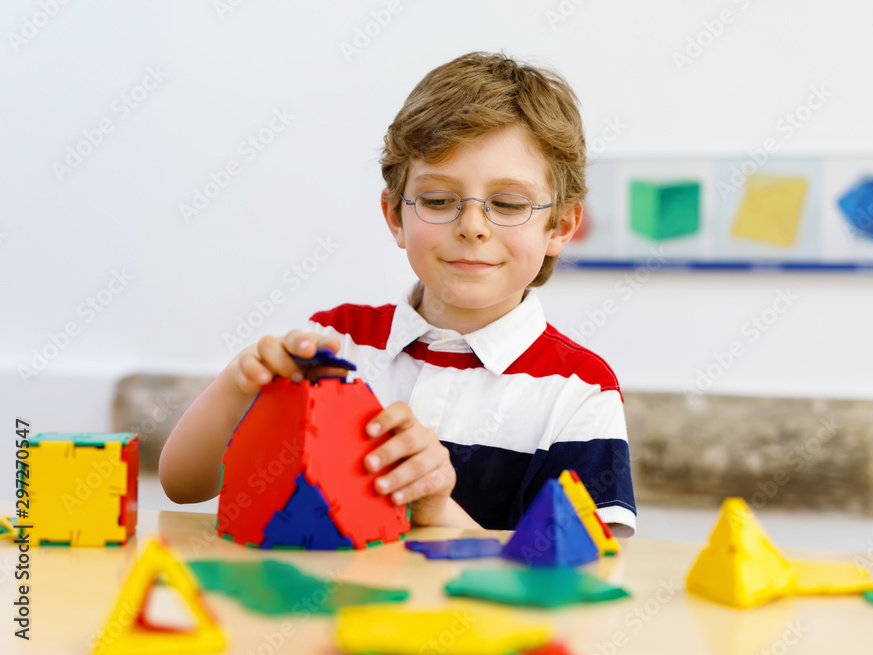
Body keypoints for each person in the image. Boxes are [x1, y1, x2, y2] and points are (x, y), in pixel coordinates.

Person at [159, 51, 636, 536]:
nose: (472, 227)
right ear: (395, 216)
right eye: (437, 200)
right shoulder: (337, 341)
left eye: (508, 203)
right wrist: (237, 388)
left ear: (561, 226)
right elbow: (183, 485)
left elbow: (587, 573)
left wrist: (437, 510)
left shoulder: (580, 390)